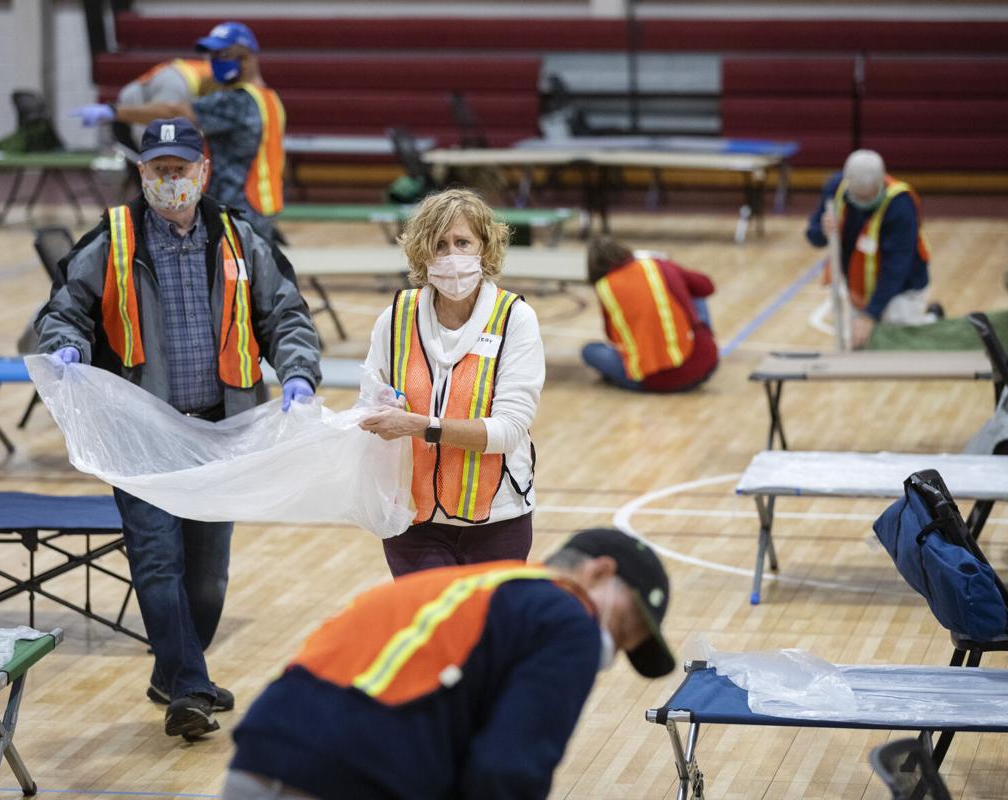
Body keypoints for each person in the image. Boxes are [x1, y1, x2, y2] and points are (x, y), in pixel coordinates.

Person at [36, 117, 321, 741]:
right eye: (158, 170)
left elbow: (285, 314)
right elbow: (64, 310)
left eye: (180, 169)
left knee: (208, 575)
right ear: (141, 175)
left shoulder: (240, 238)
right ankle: (189, 687)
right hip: (140, 433)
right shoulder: (112, 238)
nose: (170, 181)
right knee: (157, 562)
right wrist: (65, 348)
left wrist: (297, 372)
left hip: (223, 433)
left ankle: (173, 673)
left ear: (203, 171)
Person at [222, 527, 677, 800]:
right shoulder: (569, 615)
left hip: (262, 750)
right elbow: (510, 768)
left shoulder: (469, 584)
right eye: (620, 627)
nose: (609, 650)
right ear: (597, 573)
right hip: (349, 774)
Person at [358, 188, 545, 578]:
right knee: (433, 634)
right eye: (439, 245)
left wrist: (420, 426)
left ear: (485, 248)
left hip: (497, 517)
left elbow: (509, 431)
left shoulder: (515, 318)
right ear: (422, 252)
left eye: (463, 243)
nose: (452, 257)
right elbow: (369, 402)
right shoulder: (394, 317)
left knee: (488, 637)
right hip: (412, 518)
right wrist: (380, 412)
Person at [72, 21, 285, 243]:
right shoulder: (268, 98)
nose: (215, 62)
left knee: (234, 275)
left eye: (223, 54)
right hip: (262, 204)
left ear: (248, 57)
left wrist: (113, 111)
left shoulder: (237, 102)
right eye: (211, 55)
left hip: (238, 208)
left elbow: (176, 110)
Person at [806, 149, 936, 348]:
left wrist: (869, 315)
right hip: (859, 286)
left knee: (898, 347)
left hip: (902, 287)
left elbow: (896, 268)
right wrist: (822, 230)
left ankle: (932, 319)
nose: (862, 204)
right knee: (861, 346)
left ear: (881, 182)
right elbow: (814, 237)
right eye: (858, 197)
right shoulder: (836, 189)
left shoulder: (901, 204)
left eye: (868, 198)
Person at [582, 236, 718, 392]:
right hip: (704, 363)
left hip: (652, 381)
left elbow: (612, 337)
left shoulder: (604, 287)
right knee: (695, 291)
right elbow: (706, 286)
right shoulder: (657, 264)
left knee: (590, 351)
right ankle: (704, 340)